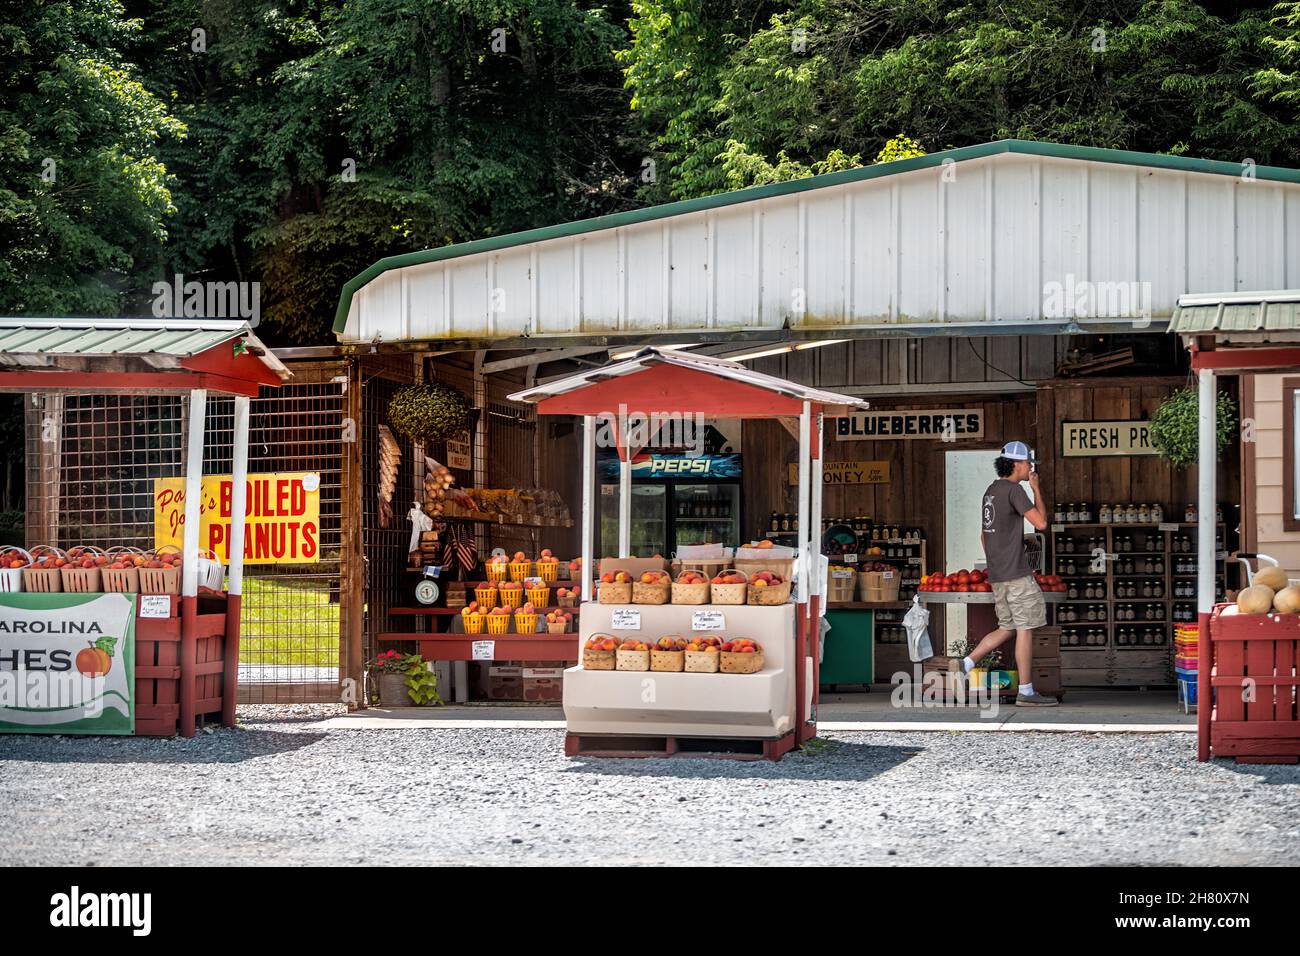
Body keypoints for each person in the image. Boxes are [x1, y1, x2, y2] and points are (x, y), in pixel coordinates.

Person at [952, 441, 1058, 706]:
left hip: (998, 576)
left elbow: (983, 535)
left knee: (1006, 628)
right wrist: (1036, 490)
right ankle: (1026, 691)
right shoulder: (1014, 490)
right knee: (1026, 628)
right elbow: (1042, 523)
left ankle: (964, 664)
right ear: (1016, 464)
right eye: (1028, 463)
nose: (1031, 468)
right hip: (1018, 576)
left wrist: (998, 561)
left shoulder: (991, 491)